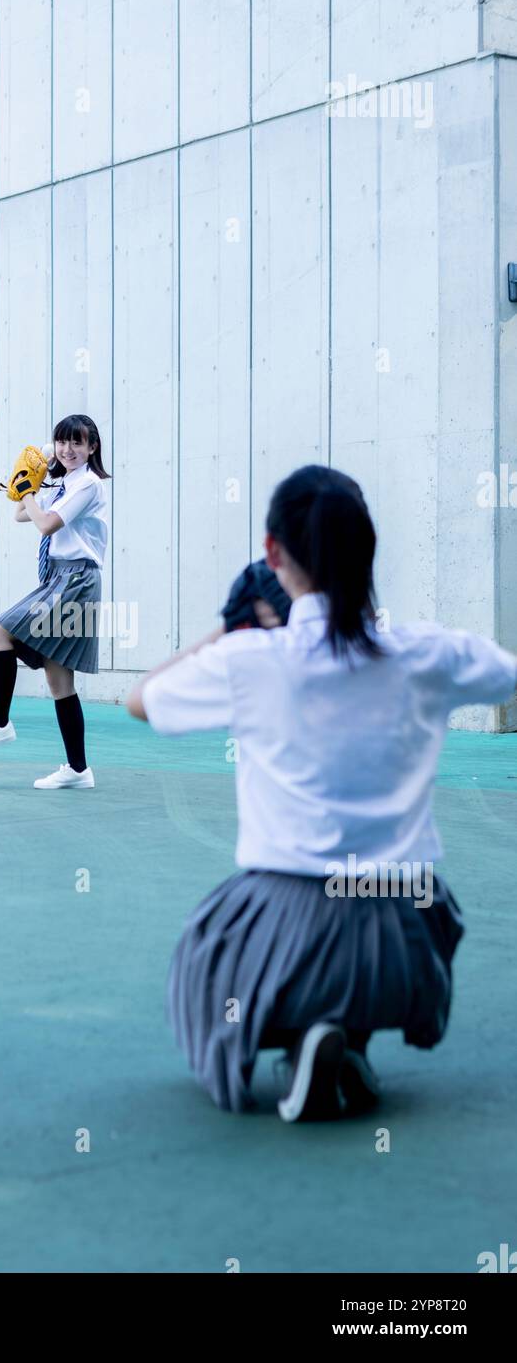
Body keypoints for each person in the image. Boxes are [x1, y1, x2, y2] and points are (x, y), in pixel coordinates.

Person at [127, 465, 517, 1121]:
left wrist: (233, 630)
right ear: (368, 549)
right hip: (407, 935)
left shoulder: (251, 660)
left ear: (273, 552)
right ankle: (347, 1041)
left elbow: (142, 700)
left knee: (205, 955)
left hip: (297, 919)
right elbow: (507, 676)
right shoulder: (429, 652)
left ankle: (302, 1036)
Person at [0, 414, 110, 790]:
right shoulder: (64, 486)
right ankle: (78, 770)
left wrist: (27, 488)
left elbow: (46, 525)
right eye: (62, 442)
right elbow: (20, 514)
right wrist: (36, 480)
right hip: (61, 577)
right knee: (59, 679)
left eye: (77, 442)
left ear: (92, 448)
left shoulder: (88, 484)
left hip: (76, 579)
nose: (68, 449)